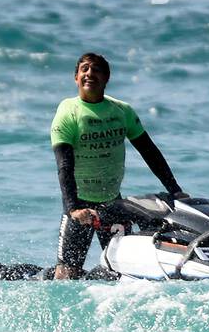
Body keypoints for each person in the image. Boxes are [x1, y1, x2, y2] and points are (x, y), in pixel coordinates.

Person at [50, 52, 187, 279]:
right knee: (65, 277)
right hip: (80, 206)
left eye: (96, 70)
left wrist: (175, 189)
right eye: (84, 69)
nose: (89, 74)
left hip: (113, 204)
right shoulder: (67, 113)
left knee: (122, 273)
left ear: (107, 78)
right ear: (76, 77)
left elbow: (149, 152)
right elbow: (64, 165)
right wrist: (73, 208)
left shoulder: (121, 111)